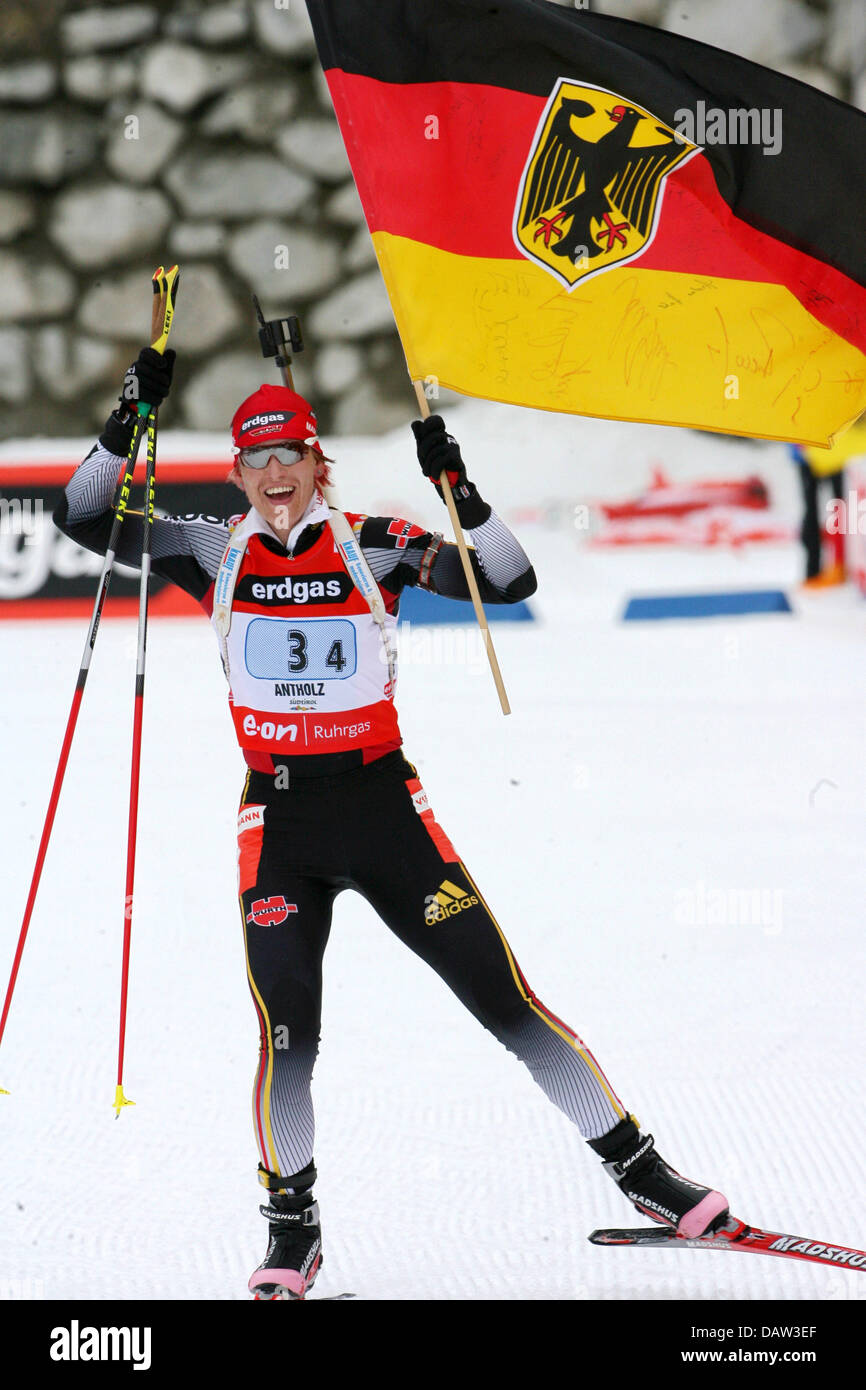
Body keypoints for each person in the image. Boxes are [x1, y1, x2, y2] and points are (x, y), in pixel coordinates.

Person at [55, 347, 729, 1299]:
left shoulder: (377, 542)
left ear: (315, 459)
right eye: (257, 462)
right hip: (279, 827)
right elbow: (81, 514)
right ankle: (292, 1228)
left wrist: (459, 486)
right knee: (287, 1032)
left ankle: (643, 1173)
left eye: (291, 454)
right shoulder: (215, 552)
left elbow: (510, 581)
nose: (276, 475)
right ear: (239, 474)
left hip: (385, 814)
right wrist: (131, 411)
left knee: (504, 999)